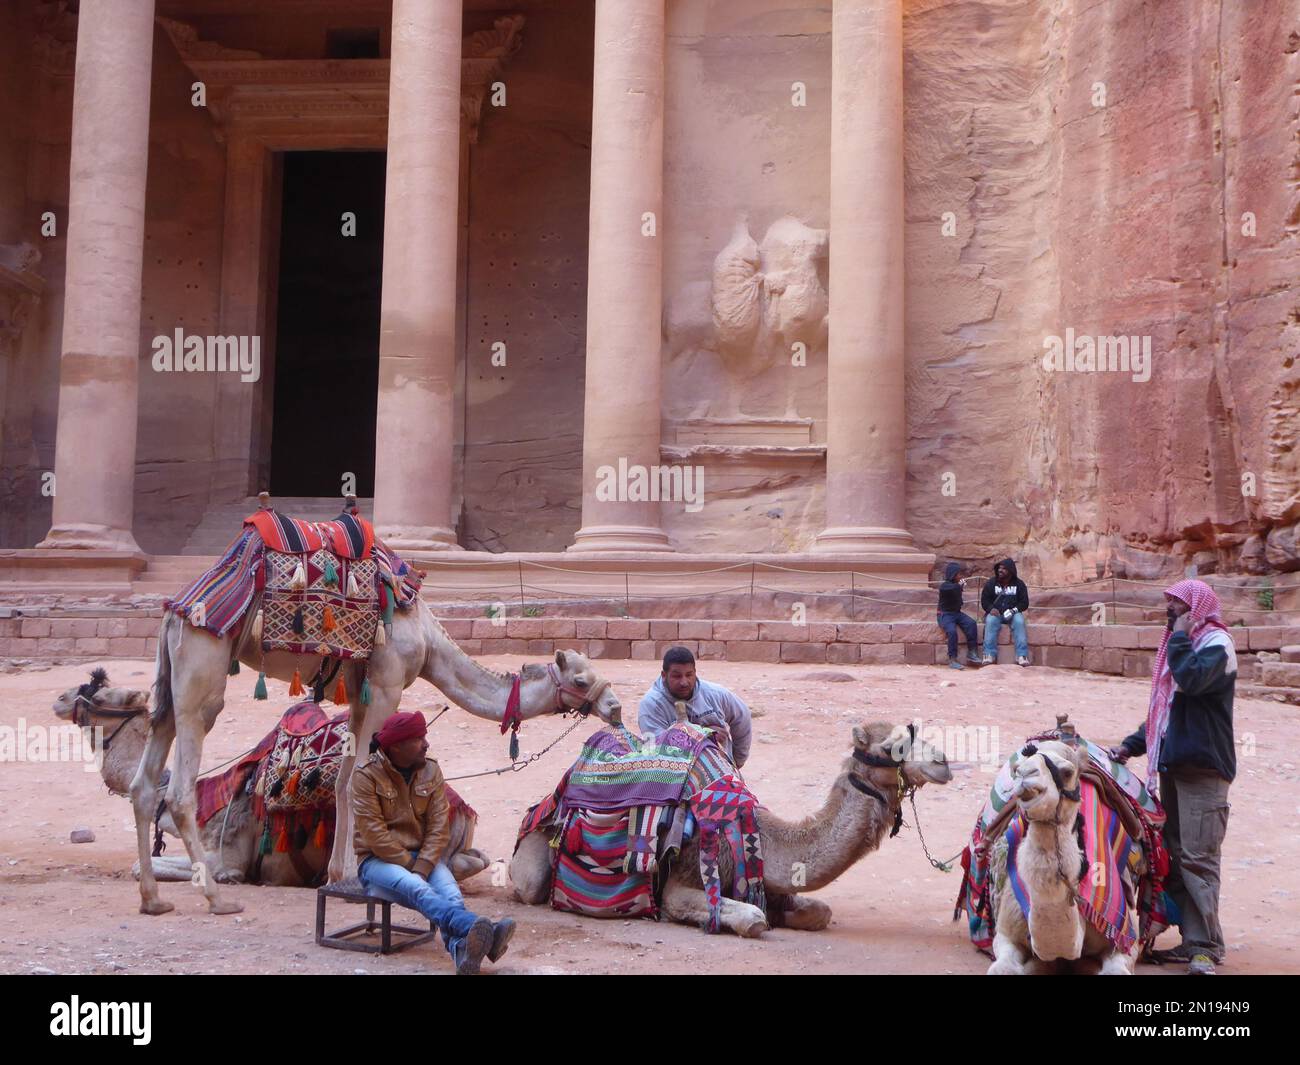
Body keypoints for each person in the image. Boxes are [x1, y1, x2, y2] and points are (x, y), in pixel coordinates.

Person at [1108, 579, 1237, 976]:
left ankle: (1205, 947)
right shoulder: (1185, 649)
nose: (1170, 612)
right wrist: (1131, 745)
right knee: (1175, 856)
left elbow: (1192, 681)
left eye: (1178, 606)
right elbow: (1165, 714)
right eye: (1169, 605)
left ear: (1195, 609)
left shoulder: (1216, 646)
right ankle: (1190, 938)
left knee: (1199, 859)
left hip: (1203, 769)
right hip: (1175, 767)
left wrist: (1180, 636)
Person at [353, 710, 515, 974]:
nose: (426, 744)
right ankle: (480, 929)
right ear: (396, 746)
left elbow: (439, 827)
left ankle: (462, 949)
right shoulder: (366, 776)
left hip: (422, 858)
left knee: (451, 893)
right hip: (376, 862)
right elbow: (374, 835)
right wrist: (412, 866)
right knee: (418, 889)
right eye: (418, 739)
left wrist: (423, 864)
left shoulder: (431, 770)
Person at [638, 646, 752, 768]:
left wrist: (738, 760)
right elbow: (656, 748)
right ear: (664, 675)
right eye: (677, 676)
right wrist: (706, 735)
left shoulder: (715, 694)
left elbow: (742, 718)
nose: (684, 682)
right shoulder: (651, 705)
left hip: (721, 768)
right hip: (674, 772)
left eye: (689, 675)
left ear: (695, 673)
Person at [980, 558, 1031, 666]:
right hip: (996, 613)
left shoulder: (1019, 584)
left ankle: (1022, 655)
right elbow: (985, 600)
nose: (1000, 570)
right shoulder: (991, 583)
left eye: (1004, 568)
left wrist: (1013, 610)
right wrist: (990, 609)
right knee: (990, 621)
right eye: (999, 568)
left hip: (1013, 613)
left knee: (1019, 621)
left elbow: (1024, 603)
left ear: (1010, 570)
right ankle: (989, 654)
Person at [936, 561, 981, 669]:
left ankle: (972, 652)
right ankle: (952, 659)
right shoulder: (945, 586)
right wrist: (959, 586)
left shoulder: (956, 586)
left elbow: (958, 598)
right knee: (952, 631)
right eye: (958, 574)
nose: (960, 576)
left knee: (971, 623)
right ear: (952, 574)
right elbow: (951, 589)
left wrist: (959, 587)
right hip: (945, 614)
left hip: (956, 613)